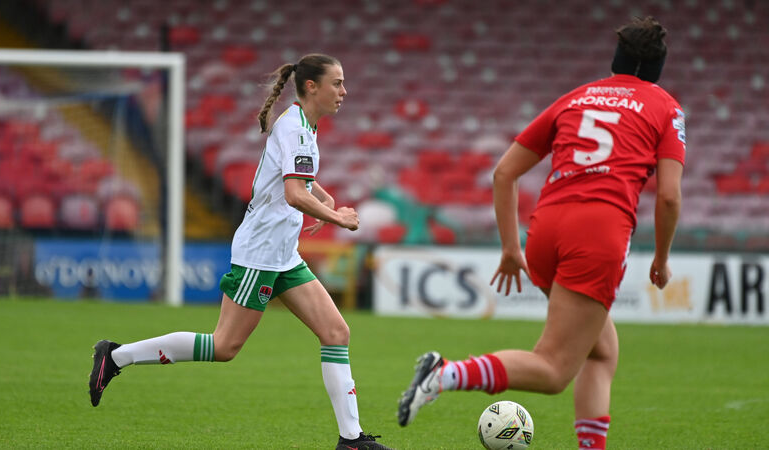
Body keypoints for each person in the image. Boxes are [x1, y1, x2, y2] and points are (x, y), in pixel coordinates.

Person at [397, 17, 684, 450]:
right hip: (598, 230)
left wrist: (512, 249)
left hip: (545, 230)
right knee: (553, 370)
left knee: (601, 350)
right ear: (658, 67)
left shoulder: (575, 98)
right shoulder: (666, 107)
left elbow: (504, 173)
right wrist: (662, 258)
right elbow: (669, 198)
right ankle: (445, 374)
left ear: (616, 59)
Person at [89, 53, 392, 450]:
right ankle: (116, 357)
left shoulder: (303, 125)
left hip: (283, 253)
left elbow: (294, 179)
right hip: (261, 253)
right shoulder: (296, 127)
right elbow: (293, 194)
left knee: (336, 333)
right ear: (312, 87)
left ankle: (351, 441)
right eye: (337, 82)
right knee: (224, 346)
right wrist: (338, 219)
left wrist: (324, 194)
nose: (344, 91)